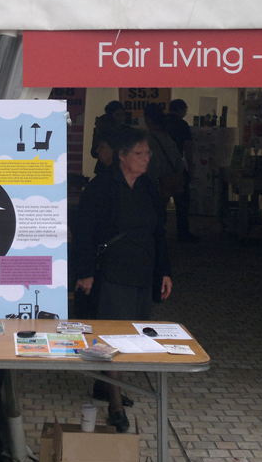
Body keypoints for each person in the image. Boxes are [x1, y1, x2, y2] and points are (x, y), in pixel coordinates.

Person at [70, 126, 173, 432]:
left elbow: (158, 233)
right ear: (122, 156)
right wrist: (85, 272)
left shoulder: (148, 187)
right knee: (113, 337)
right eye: (140, 153)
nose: (146, 158)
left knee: (132, 334)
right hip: (112, 273)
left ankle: (105, 386)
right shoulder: (102, 187)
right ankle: (114, 403)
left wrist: (164, 271)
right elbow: (84, 231)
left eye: (148, 153)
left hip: (142, 273)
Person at [165, 99, 198, 242]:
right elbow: (188, 146)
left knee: (161, 201)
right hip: (177, 167)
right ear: (180, 109)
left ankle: (159, 232)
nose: (185, 113)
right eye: (185, 110)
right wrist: (190, 166)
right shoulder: (182, 124)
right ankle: (183, 232)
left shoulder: (161, 122)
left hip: (162, 167)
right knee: (182, 202)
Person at [142, 103, 185, 202]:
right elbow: (179, 164)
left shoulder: (146, 140)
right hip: (166, 186)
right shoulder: (168, 139)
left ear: (148, 120)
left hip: (150, 186)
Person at [89, 101, 126, 176]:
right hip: (110, 169)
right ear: (110, 116)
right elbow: (94, 152)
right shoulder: (103, 130)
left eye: (122, 115)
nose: (121, 118)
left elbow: (94, 152)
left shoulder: (101, 129)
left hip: (105, 169)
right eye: (117, 115)